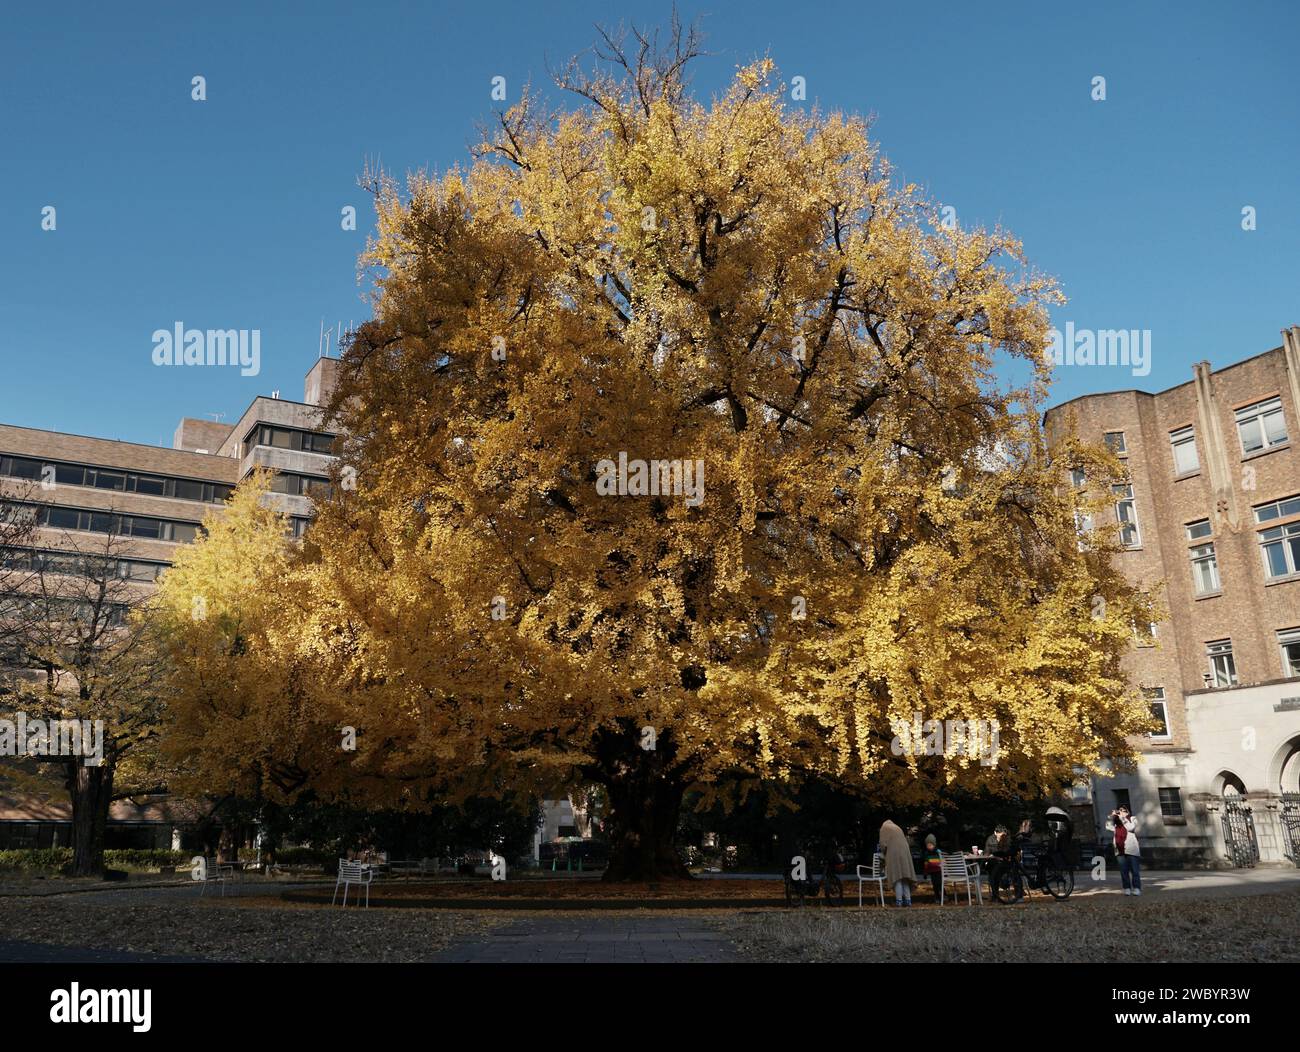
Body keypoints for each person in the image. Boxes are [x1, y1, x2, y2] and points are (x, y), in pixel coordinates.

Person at [879, 819, 917, 906]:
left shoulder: (884, 828)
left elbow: (883, 844)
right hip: (905, 853)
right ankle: (908, 900)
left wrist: (884, 853)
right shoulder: (897, 828)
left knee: (897, 878)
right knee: (905, 878)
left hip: (894, 854)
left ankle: (899, 901)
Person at [1108, 805, 1142, 896]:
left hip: (1131, 849)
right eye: (1119, 810)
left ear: (1128, 812)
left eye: (1123, 810)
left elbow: (1130, 828)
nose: (1121, 812)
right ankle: (1127, 888)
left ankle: (1137, 888)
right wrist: (1111, 817)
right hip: (1119, 849)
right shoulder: (1116, 823)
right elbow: (1108, 827)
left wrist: (1123, 819)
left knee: (1134, 870)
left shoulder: (1132, 819)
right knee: (1123, 871)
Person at [985, 824, 1023, 904]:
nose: (1002, 837)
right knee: (993, 870)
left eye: (1004, 835)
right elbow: (987, 853)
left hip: (1007, 862)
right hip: (995, 862)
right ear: (995, 833)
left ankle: (1019, 894)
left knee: (1013, 869)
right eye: (1000, 835)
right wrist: (994, 857)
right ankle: (995, 895)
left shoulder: (1008, 839)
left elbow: (1014, 852)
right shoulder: (990, 839)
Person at [922, 834, 943, 899]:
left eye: (930, 845)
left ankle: (943, 895)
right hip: (932, 871)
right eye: (927, 845)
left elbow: (942, 861)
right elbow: (926, 863)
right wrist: (925, 872)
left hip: (939, 870)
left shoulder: (938, 852)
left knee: (940, 883)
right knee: (935, 884)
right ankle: (937, 896)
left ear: (934, 845)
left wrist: (944, 869)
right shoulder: (926, 853)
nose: (929, 847)